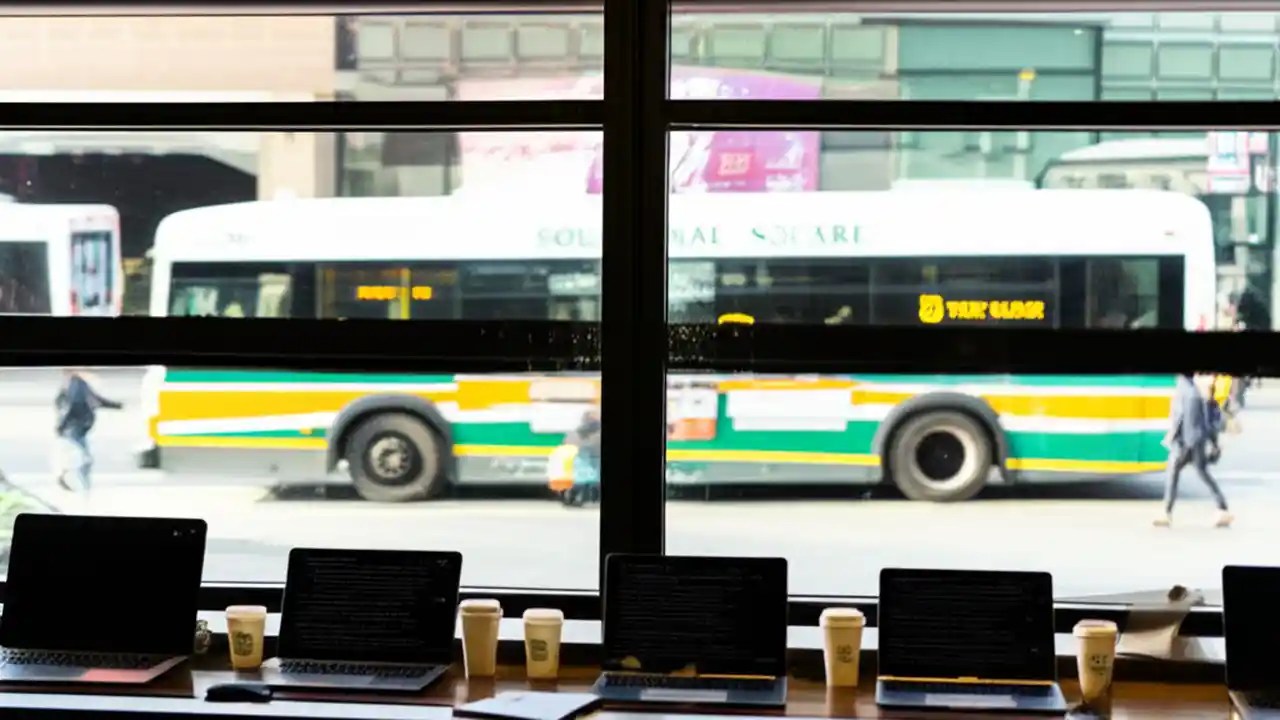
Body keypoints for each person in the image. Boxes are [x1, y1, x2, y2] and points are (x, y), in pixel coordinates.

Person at [1156, 373, 1232, 528]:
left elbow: (1183, 417)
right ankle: (1222, 508)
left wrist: (1178, 442)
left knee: (1174, 471)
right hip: (1194, 439)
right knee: (1201, 472)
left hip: (1189, 441)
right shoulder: (1191, 389)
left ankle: (1166, 513)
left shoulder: (1188, 391)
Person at [54, 368, 123, 493]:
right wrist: (63, 424)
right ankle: (80, 483)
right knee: (83, 458)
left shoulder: (73, 384)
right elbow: (75, 404)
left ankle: (66, 474)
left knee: (76, 454)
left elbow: (94, 399)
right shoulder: (77, 384)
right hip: (76, 425)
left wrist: (115, 405)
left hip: (75, 426)